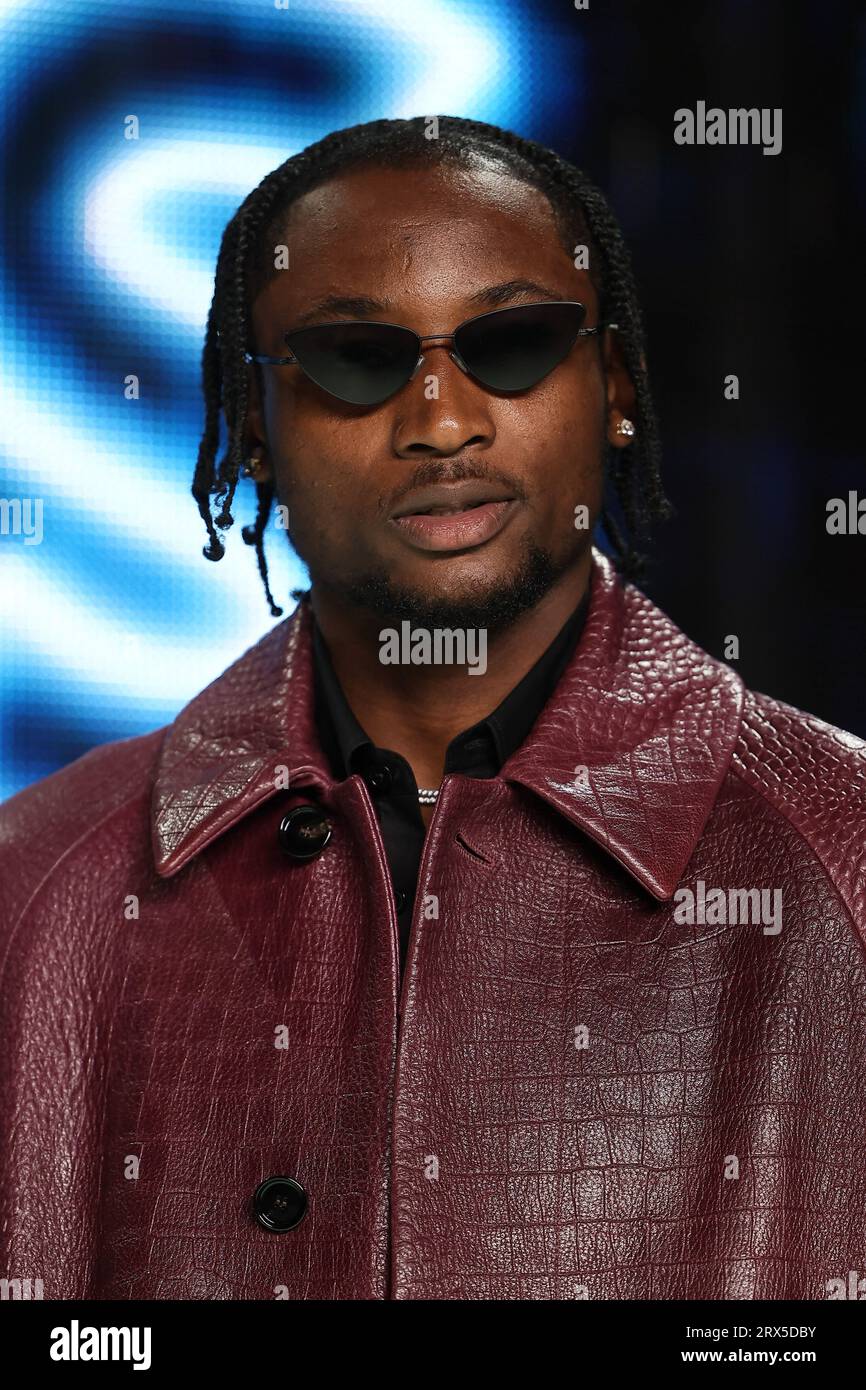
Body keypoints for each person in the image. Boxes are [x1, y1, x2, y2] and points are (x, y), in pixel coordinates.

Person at [1, 116, 864, 1302]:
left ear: (615, 385)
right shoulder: (36, 884)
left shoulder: (843, 851)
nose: (442, 421)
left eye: (512, 342)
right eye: (356, 357)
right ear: (255, 428)